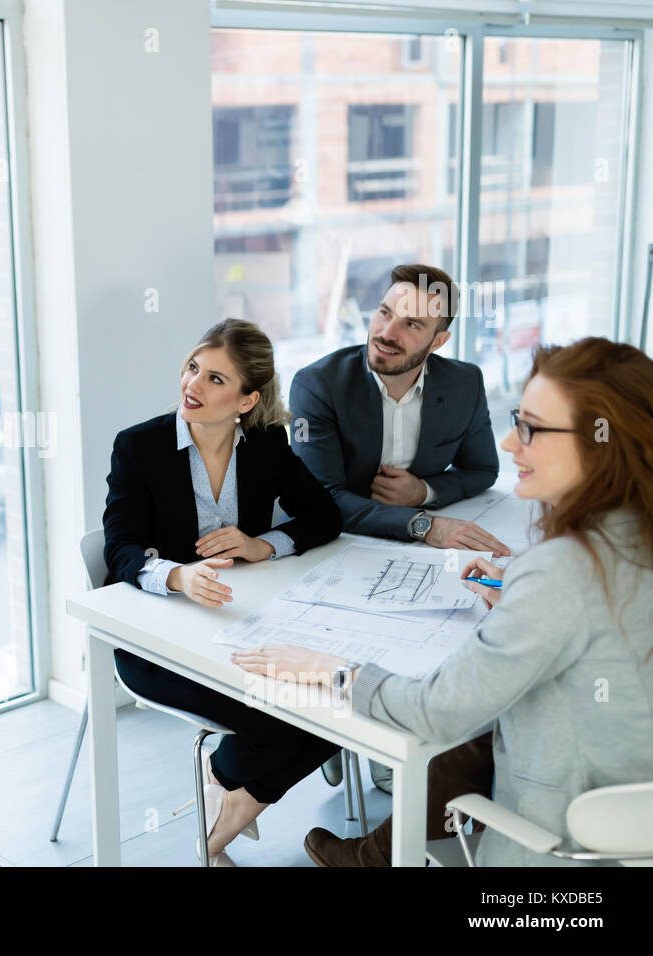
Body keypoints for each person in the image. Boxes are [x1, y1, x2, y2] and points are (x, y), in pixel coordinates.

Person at [233, 337, 653, 866]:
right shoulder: (625, 544)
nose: (509, 443)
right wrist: (522, 594)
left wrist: (329, 669)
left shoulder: (564, 570)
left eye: (530, 428)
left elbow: (431, 712)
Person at [103, 319, 343, 865]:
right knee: (285, 715)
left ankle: (225, 794)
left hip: (248, 624)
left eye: (215, 378)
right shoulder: (138, 447)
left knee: (338, 703)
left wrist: (265, 545)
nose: (192, 385)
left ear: (247, 398)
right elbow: (119, 550)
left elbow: (322, 514)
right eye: (193, 368)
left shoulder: (265, 444)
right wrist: (174, 574)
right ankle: (227, 802)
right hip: (159, 643)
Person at [290, 263, 508, 793]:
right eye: (385, 313)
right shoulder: (317, 385)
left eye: (411, 324)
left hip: (413, 555)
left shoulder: (464, 383)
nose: (387, 332)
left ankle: (411, 747)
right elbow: (321, 500)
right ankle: (350, 735)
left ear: (439, 340)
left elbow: (484, 469)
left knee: (457, 629)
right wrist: (422, 522)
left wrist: (424, 492)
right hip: (331, 549)